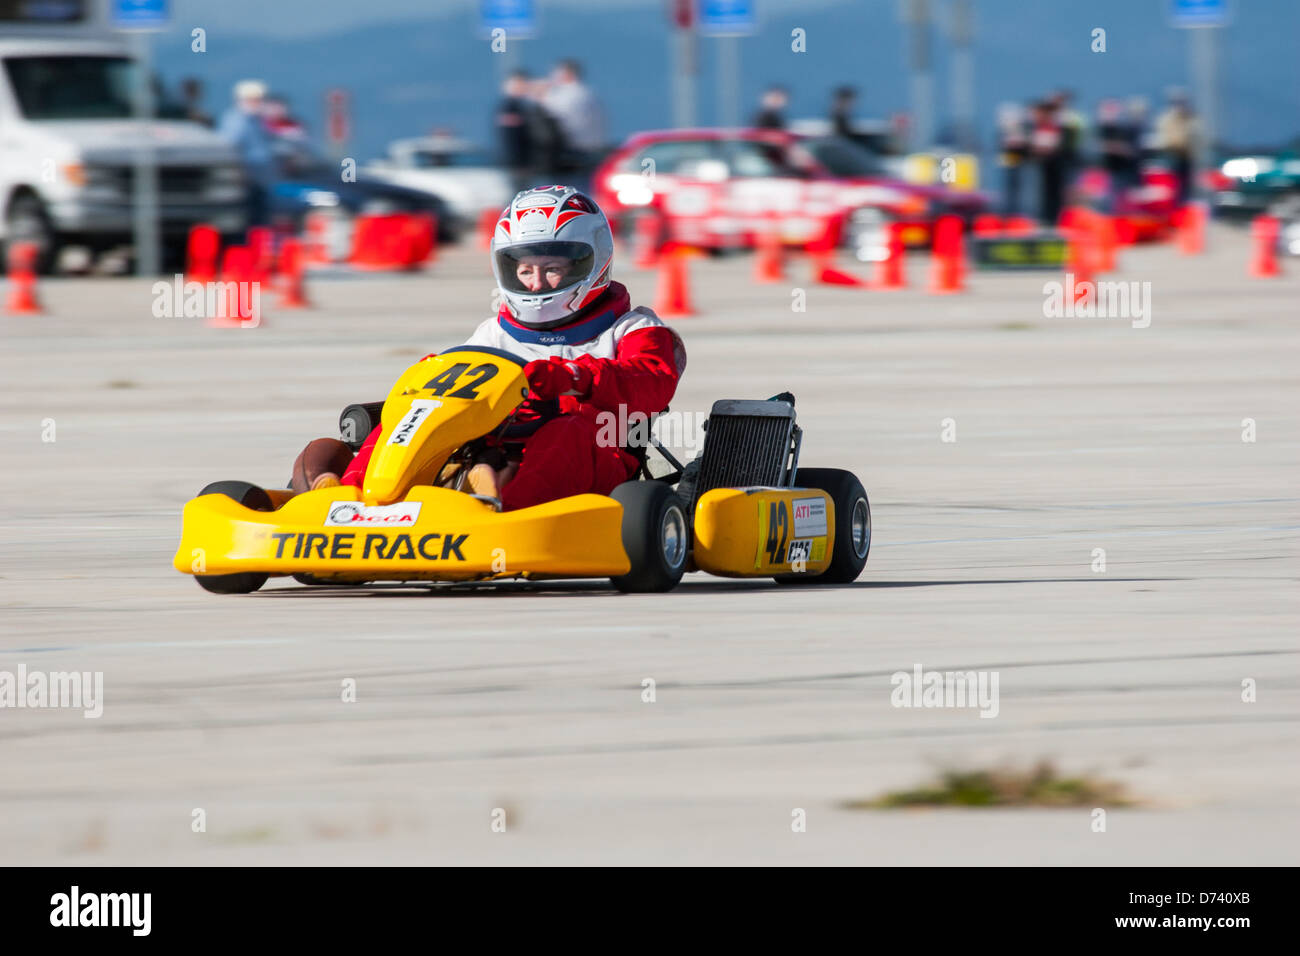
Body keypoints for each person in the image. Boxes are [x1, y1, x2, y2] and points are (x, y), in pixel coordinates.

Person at [290, 186, 687, 512]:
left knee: (567, 432)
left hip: (599, 449)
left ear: (591, 262)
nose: (536, 284)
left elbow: (652, 382)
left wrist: (573, 378)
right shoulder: (494, 331)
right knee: (407, 415)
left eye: (553, 269)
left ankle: (502, 514)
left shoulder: (633, 327)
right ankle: (350, 500)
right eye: (525, 270)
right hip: (491, 443)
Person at [217, 79, 275, 227]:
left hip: (259, 181)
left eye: (259, 99)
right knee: (248, 221)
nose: (258, 103)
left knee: (259, 220)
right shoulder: (236, 122)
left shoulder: (256, 121)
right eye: (253, 100)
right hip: (245, 182)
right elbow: (229, 149)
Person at [542, 60, 605, 188]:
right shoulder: (589, 93)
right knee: (585, 190)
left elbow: (547, 110)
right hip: (591, 151)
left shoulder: (567, 95)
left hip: (570, 154)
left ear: (567, 74)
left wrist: (542, 92)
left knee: (564, 192)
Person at [1155, 88, 1200, 206]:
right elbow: (1166, 140)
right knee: (1173, 188)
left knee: (1187, 188)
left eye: (1182, 102)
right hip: (1172, 158)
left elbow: (1198, 138)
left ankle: (1183, 208)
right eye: (1177, 102)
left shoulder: (1191, 119)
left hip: (1187, 159)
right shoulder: (1166, 119)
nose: (1180, 105)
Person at [995, 102, 1029, 216]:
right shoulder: (1005, 132)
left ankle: (1014, 211)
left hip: (1018, 158)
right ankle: (1009, 211)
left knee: (1017, 185)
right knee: (1010, 184)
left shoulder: (1020, 129)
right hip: (1010, 158)